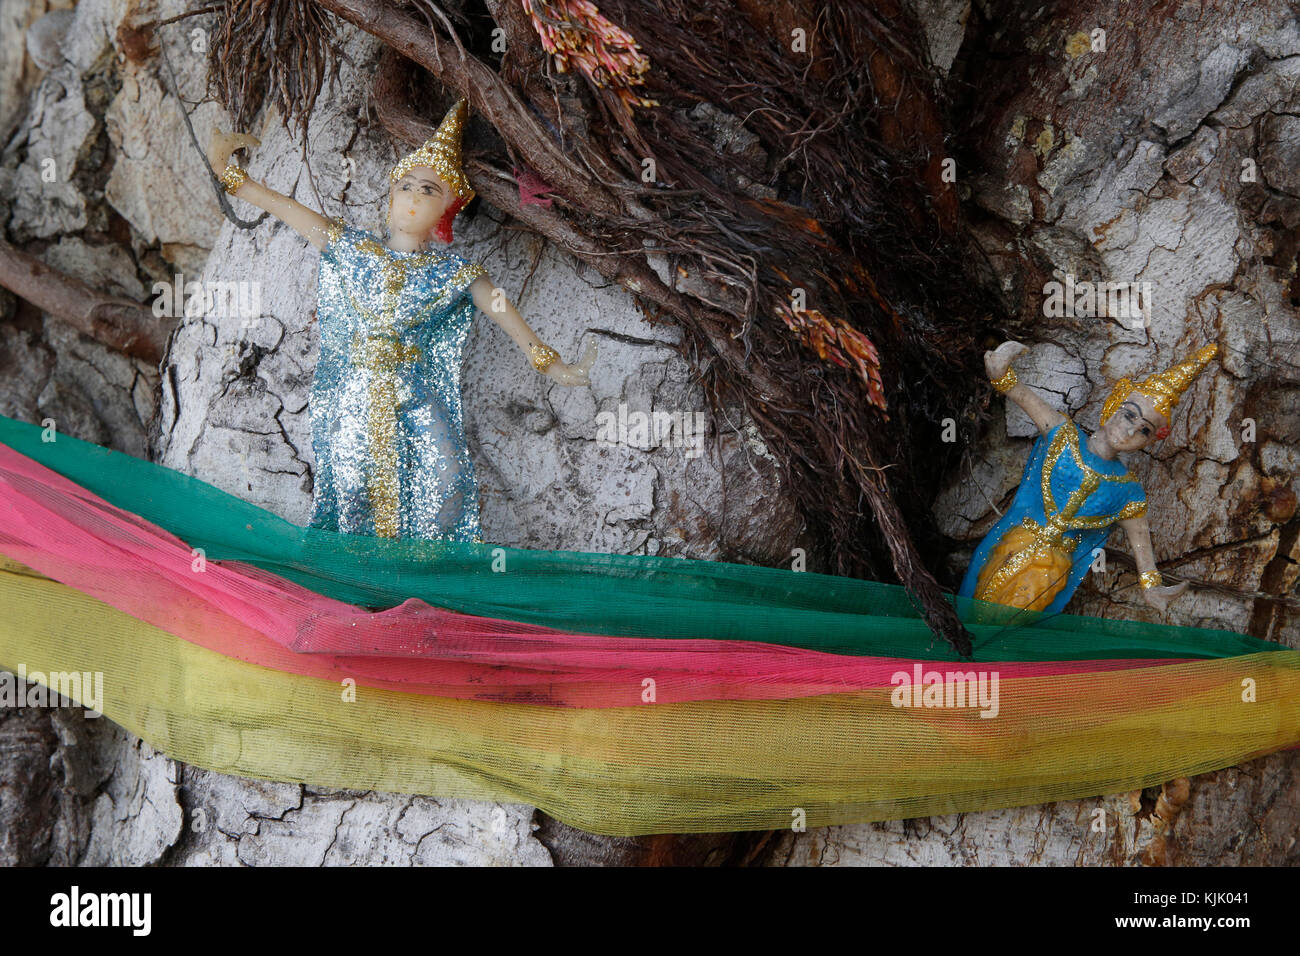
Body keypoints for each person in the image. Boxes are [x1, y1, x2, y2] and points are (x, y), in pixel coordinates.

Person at [206, 100, 595, 542]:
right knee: (351, 484)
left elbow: (501, 309)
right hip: (358, 388)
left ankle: (424, 572)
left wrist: (551, 363)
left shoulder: (452, 274)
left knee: (447, 480)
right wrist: (232, 177)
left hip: (415, 390)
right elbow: (290, 211)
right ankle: (356, 570)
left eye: (429, 191)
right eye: (405, 186)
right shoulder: (353, 248)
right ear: (390, 195)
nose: (412, 196)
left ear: (448, 211)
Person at [960, 340, 1218, 614]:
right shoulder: (1063, 435)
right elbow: (1015, 390)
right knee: (977, 600)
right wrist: (999, 368)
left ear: (1151, 441)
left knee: (1013, 622)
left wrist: (1152, 587)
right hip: (1016, 540)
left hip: (1053, 568)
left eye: (1144, 431)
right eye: (1130, 415)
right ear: (1113, 405)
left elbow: (1141, 544)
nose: (1130, 431)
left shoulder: (1128, 493)